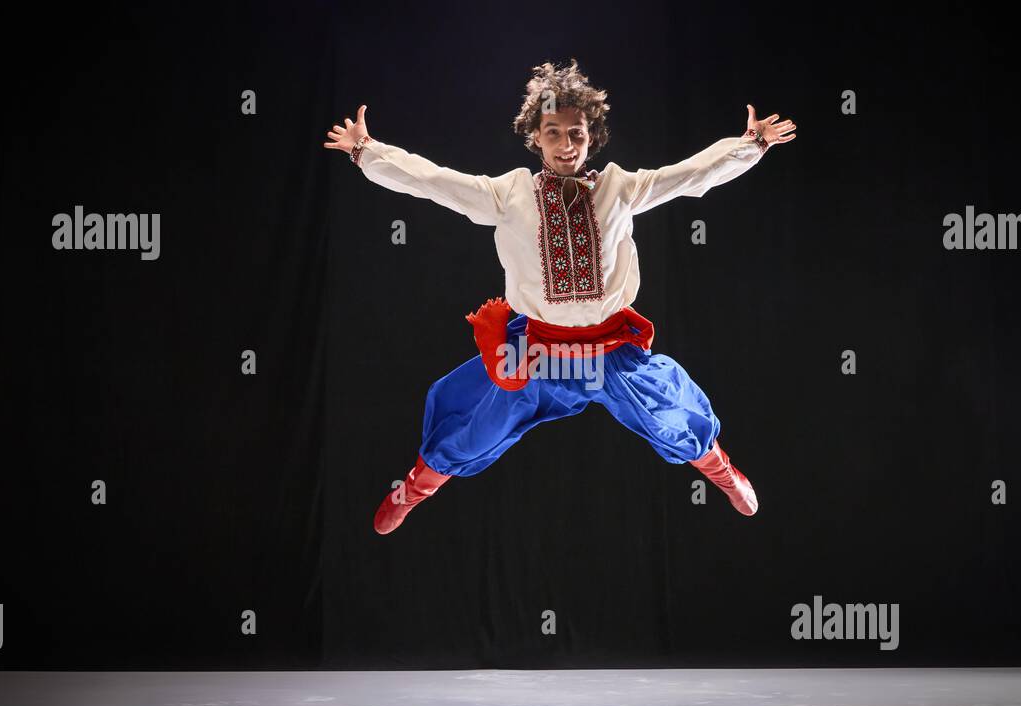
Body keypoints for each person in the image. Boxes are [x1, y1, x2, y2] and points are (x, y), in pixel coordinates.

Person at [323, 59, 796, 534]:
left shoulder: (620, 188)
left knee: (672, 415)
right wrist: (367, 150)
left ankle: (723, 472)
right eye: (553, 132)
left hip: (609, 350)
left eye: (576, 133)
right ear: (535, 138)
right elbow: (433, 181)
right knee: (476, 428)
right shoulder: (507, 195)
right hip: (538, 352)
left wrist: (749, 145)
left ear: (592, 137)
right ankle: (413, 489)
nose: (566, 145)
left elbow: (692, 175)